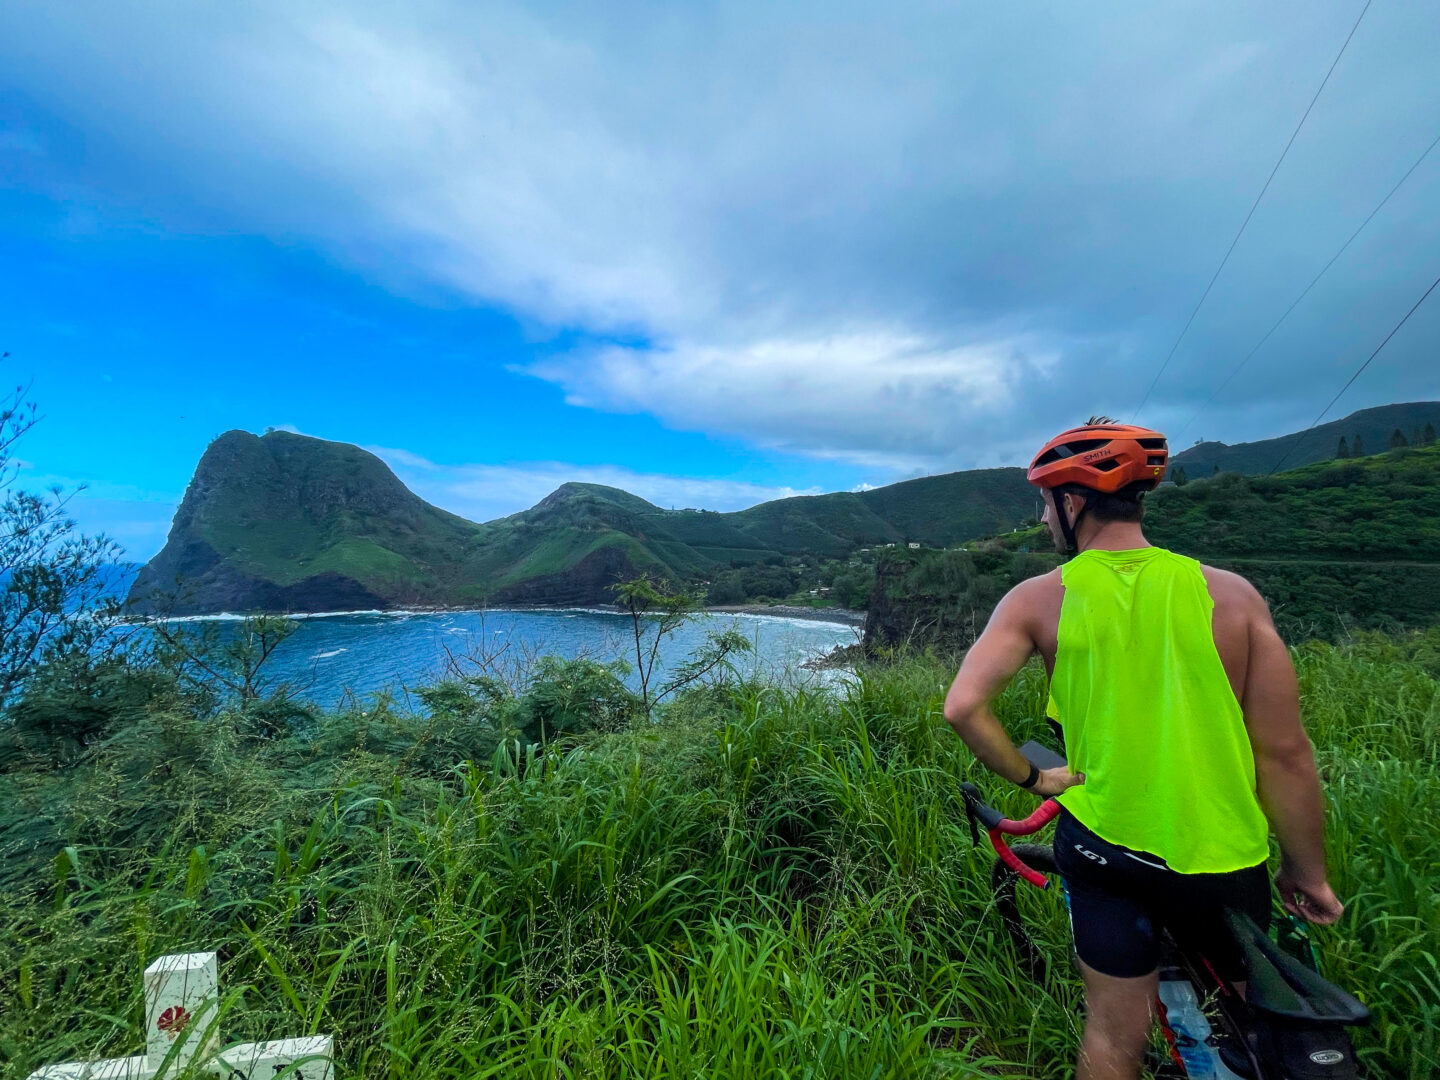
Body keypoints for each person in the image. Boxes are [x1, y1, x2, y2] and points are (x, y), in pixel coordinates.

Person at [942, 420, 1344, 1080]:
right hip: (1222, 854)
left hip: (1106, 849)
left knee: (1110, 1034)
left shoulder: (1039, 597)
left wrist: (1034, 779)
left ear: (1073, 503)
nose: (1044, 519)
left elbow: (963, 707)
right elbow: (1285, 754)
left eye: (1045, 504)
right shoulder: (1234, 595)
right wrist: (1308, 873)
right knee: (1251, 1033)